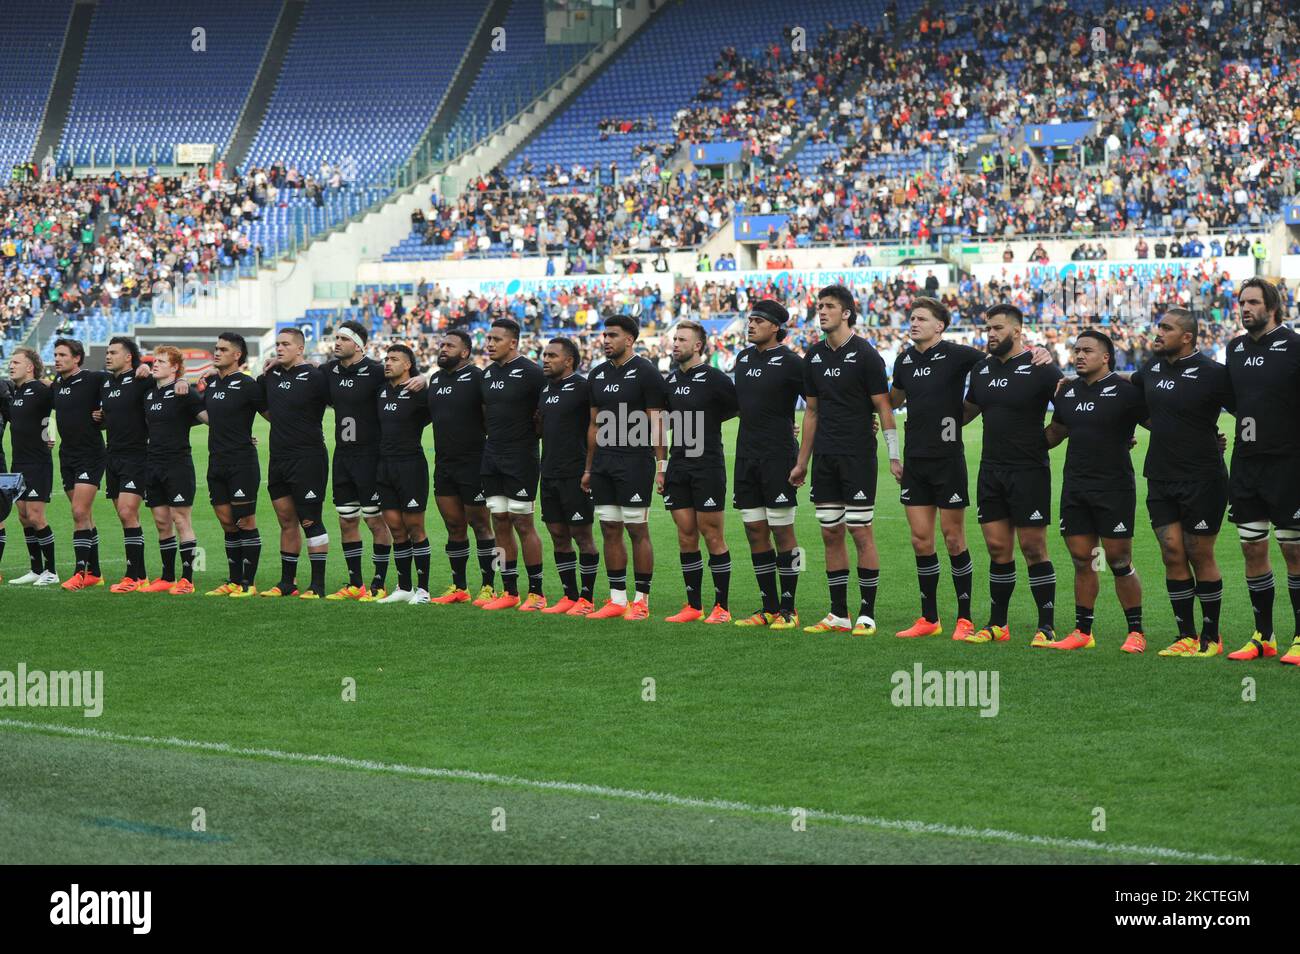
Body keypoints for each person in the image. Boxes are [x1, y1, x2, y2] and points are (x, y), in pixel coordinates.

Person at [789, 285, 900, 635]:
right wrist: (801, 461)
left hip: (858, 456)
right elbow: (811, 411)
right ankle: (838, 614)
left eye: (829, 306)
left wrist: (894, 455)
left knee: (860, 530)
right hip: (824, 457)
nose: (821, 312)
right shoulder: (813, 356)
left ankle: (867, 613)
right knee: (830, 532)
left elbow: (884, 406)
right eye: (819, 306)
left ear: (847, 312)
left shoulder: (866, 355)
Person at [1130, 308, 1234, 657]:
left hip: (1203, 477)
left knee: (1199, 552)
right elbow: (1134, 405)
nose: (1157, 333)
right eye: (1158, 326)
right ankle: (1185, 635)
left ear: (1187, 337)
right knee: (1172, 552)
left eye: (1166, 328)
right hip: (1159, 476)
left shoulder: (1214, 374)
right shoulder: (1151, 370)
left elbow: (1250, 408)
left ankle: (1212, 636)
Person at [961, 304, 1064, 646]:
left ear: (1018, 331)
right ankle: (997, 624)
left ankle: (1046, 626)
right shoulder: (981, 369)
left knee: (1033, 547)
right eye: (988, 328)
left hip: (1029, 471)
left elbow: (1068, 410)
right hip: (991, 470)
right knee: (996, 547)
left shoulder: (1041, 368)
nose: (991, 333)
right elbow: (967, 412)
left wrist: (1041, 444)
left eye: (998, 328)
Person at [1044, 330, 1148, 651]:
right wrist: (1017, 444)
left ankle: (1136, 632)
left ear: (1106, 357)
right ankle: (1083, 633)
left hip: (1113, 487)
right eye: (1076, 350)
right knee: (1082, 560)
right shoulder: (1067, 392)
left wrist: (1203, 440)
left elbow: (1163, 422)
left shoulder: (1127, 392)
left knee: (1117, 559)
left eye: (1087, 350)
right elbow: (1056, 432)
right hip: (1076, 486)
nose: (1078, 355)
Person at [1222, 279, 1300, 665]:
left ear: (1272, 307)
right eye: (1241, 302)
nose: (1245, 308)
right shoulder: (1234, 348)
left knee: (1293, 550)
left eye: (1252, 302)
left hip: (1289, 464)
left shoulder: (1295, 345)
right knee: (1252, 548)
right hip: (1247, 462)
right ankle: (1263, 636)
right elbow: (1233, 402)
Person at [321, 321, 423, 601]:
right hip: (342, 455)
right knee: (346, 520)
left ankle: (379, 582)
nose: (337, 343)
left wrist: (424, 377)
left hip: (371, 457)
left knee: (374, 521)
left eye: (343, 339)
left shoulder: (378, 371)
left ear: (358, 345)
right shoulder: (328, 370)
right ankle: (355, 583)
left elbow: (409, 375)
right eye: (336, 338)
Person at [583, 314, 668, 620]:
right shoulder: (597, 375)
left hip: (635, 460)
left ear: (629, 340)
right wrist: (589, 468)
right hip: (604, 461)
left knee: (636, 528)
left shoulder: (646, 373)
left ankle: (641, 599)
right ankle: (617, 599)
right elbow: (593, 425)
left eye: (612, 335)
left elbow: (658, 421)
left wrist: (662, 465)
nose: (605, 340)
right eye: (604, 335)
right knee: (609, 527)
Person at [731, 300, 805, 630]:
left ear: (775, 327)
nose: (751, 325)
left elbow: (816, 403)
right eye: (750, 320)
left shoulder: (791, 362)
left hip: (778, 456)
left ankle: (789, 609)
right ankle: (768, 607)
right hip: (746, 455)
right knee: (753, 529)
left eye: (758, 321)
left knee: (783, 531)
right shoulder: (743, 359)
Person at [659, 319, 738, 624]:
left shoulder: (716, 379)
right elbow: (660, 425)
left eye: (682, 339)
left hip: (707, 464)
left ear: (698, 346)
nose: (675, 343)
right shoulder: (670, 382)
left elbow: (738, 408)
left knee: (712, 534)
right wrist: (662, 468)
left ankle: (722, 607)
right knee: (686, 536)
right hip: (678, 465)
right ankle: (693, 606)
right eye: (674, 339)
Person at [478, 318, 548, 611]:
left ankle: (536, 592)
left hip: (521, 457)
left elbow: (545, 412)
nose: (490, 344)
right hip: (492, 454)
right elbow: (484, 412)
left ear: (513, 343)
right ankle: (509, 590)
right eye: (488, 339)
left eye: (496, 339)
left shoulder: (532, 373)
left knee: (523, 522)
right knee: (499, 520)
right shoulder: (486, 374)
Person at [258, 328, 331, 598]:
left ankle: (318, 585)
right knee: (286, 520)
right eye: (277, 344)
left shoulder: (315, 377)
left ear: (300, 348)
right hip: (279, 458)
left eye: (285, 344)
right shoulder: (269, 376)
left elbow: (341, 400)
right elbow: (260, 405)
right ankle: (287, 583)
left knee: (310, 520)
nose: (279, 348)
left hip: (308, 458)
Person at [425, 330, 496, 606]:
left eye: (449, 345)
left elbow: (489, 416)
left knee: (481, 526)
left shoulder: (478, 377)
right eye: (441, 344)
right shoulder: (436, 378)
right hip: (444, 464)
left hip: (474, 463)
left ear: (464, 352)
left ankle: (490, 586)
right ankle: (459, 586)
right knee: (454, 526)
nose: (443, 349)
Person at [536, 336, 600, 616]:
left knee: (582, 535)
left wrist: (589, 469)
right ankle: (568, 595)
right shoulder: (545, 390)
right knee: (557, 535)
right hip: (548, 472)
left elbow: (596, 428)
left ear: (569, 360)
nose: (545, 359)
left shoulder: (584, 388)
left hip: (576, 474)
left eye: (551, 356)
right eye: (544, 355)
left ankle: (587, 598)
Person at [138, 346, 207, 594]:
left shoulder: (183, 391)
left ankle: (187, 579)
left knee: (181, 520)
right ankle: (167, 577)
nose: (155, 364)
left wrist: (191, 387)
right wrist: (142, 367)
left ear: (175, 367)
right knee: (161, 522)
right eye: (154, 360)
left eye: (161, 361)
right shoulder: (148, 393)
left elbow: (208, 418)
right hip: (152, 464)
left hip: (178, 464)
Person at [202, 333, 266, 597]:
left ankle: (248, 583)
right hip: (216, 461)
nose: (216, 353)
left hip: (241, 462)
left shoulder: (248, 385)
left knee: (245, 521)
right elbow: (211, 417)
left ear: (237, 355)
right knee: (227, 522)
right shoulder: (212, 384)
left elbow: (272, 414)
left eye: (223, 349)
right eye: (215, 348)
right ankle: (233, 579)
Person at [374, 344, 433, 604]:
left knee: (415, 527)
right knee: (396, 529)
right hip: (384, 466)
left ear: (408, 365)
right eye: (386, 358)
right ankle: (404, 587)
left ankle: (423, 590)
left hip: (411, 466)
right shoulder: (382, 390)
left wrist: (427, 379)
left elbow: (446, 387)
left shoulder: (420, 392)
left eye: (394, 359)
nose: (387, 363)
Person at [95, 337, 154, 591]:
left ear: (129, 357)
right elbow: (113, 417)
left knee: (127, 512)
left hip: (137, 454)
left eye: (113, 352)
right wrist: (101, 418)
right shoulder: (107, 383)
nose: (108, 356)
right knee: (125, 517)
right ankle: (141, 576)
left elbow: (168, 385)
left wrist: (149, 369)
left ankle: (132, 576)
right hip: (113, 455)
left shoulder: (142, 380)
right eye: (107, 352)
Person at [51, 339, 106, 589]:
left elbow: (122, 387)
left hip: (90, 453)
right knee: (84, 514)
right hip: (67, 455)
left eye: (62, 354)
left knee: (79, 512)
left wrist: (103, 414)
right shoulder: (57, 384)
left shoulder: (94, 379)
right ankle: (95, 572)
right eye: (55, 354)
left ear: (77, 358)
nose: (57, 358)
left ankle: (79, 573)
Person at [3, 348, 57, 586]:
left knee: (36, 516)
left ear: (30, 367)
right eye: (10, 362)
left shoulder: (41, 389)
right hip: (19, 462)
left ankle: (51, 571)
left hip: (38, 462)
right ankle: (36, 569)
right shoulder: (15, 391)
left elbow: (56, 411)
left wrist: (51, 432)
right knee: (24, 516)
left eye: (16, 362)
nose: (11, 365)